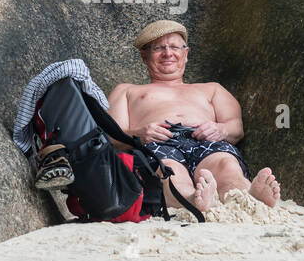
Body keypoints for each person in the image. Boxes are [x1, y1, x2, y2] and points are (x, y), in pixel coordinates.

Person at [108, 20, 281, 211]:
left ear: (186, 54)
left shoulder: (212, 89)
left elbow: (236, 128)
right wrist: (138, 134)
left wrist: (221, 129)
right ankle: (192, 200)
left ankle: (245, 197)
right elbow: (111, 135)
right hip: (157, 143)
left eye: (174, 47)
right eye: (159, 48)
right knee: (168, 171)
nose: (168, 53)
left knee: (226, 164)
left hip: (206, 140)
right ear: (144, 56)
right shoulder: (126, 91)